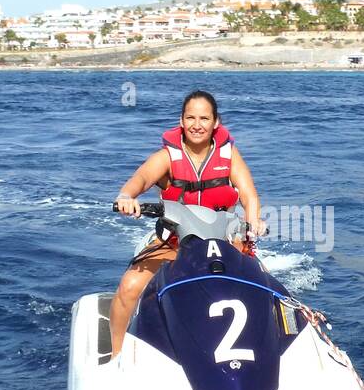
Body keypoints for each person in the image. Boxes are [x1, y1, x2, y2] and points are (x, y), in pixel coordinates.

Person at [109, 90, 265, 358]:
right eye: (190, 117)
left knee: (260, 289)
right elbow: (141, 180)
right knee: (130, 286)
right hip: (176, 241)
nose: (197, 124)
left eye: (204, 118)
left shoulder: (229, 155)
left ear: (216, 122)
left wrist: (254, 222)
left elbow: (249, 195)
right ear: (181, 121)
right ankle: (116, 354)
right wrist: (126, 197)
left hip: (225, 241)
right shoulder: (167, 157)